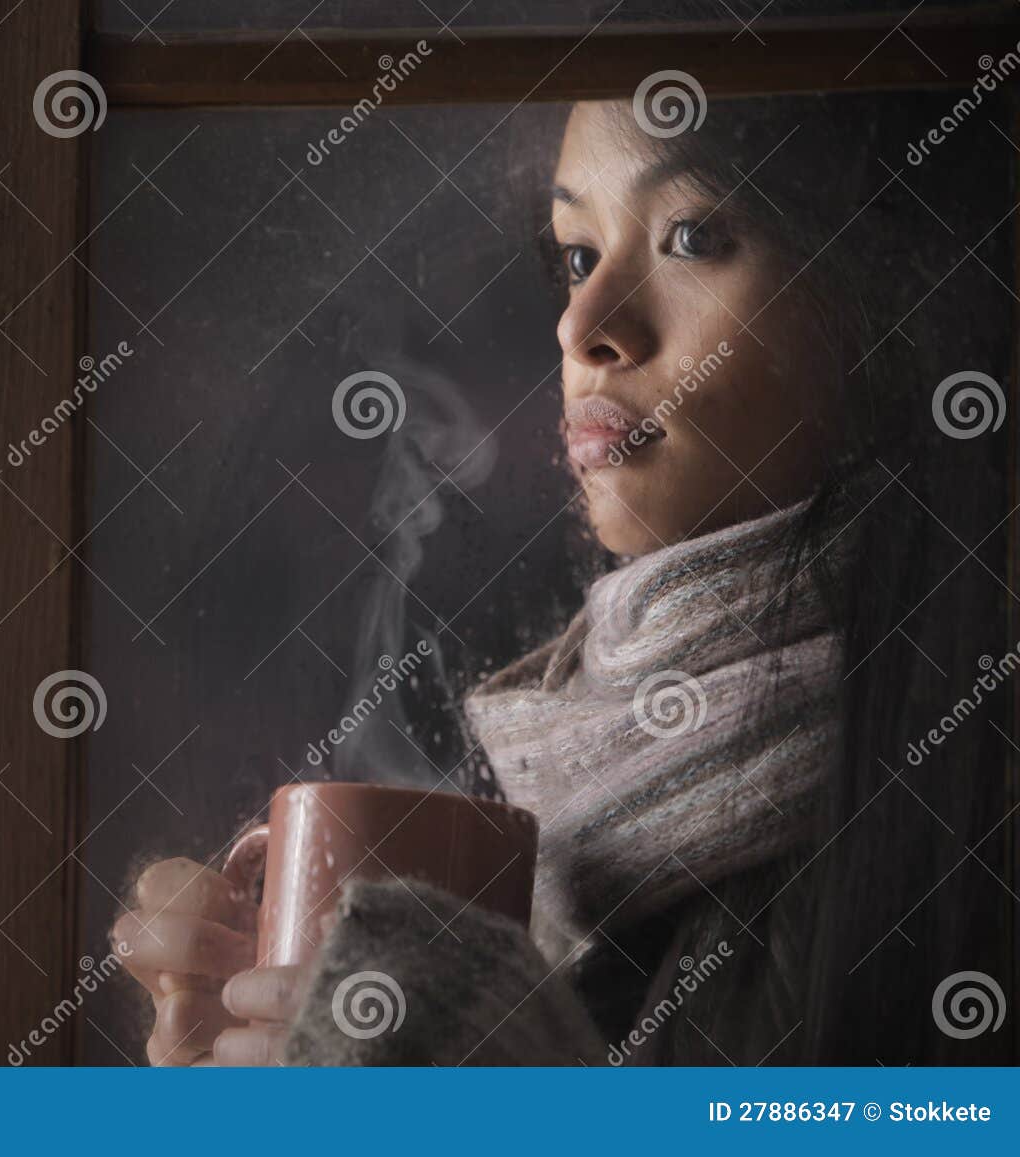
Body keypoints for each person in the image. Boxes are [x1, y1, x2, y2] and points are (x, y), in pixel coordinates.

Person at [114, 89, 1014, 1066]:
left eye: (695, 235)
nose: (583, 324)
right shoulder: (554, 759)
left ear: (891, 294)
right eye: (578, 255)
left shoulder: (974, 777)